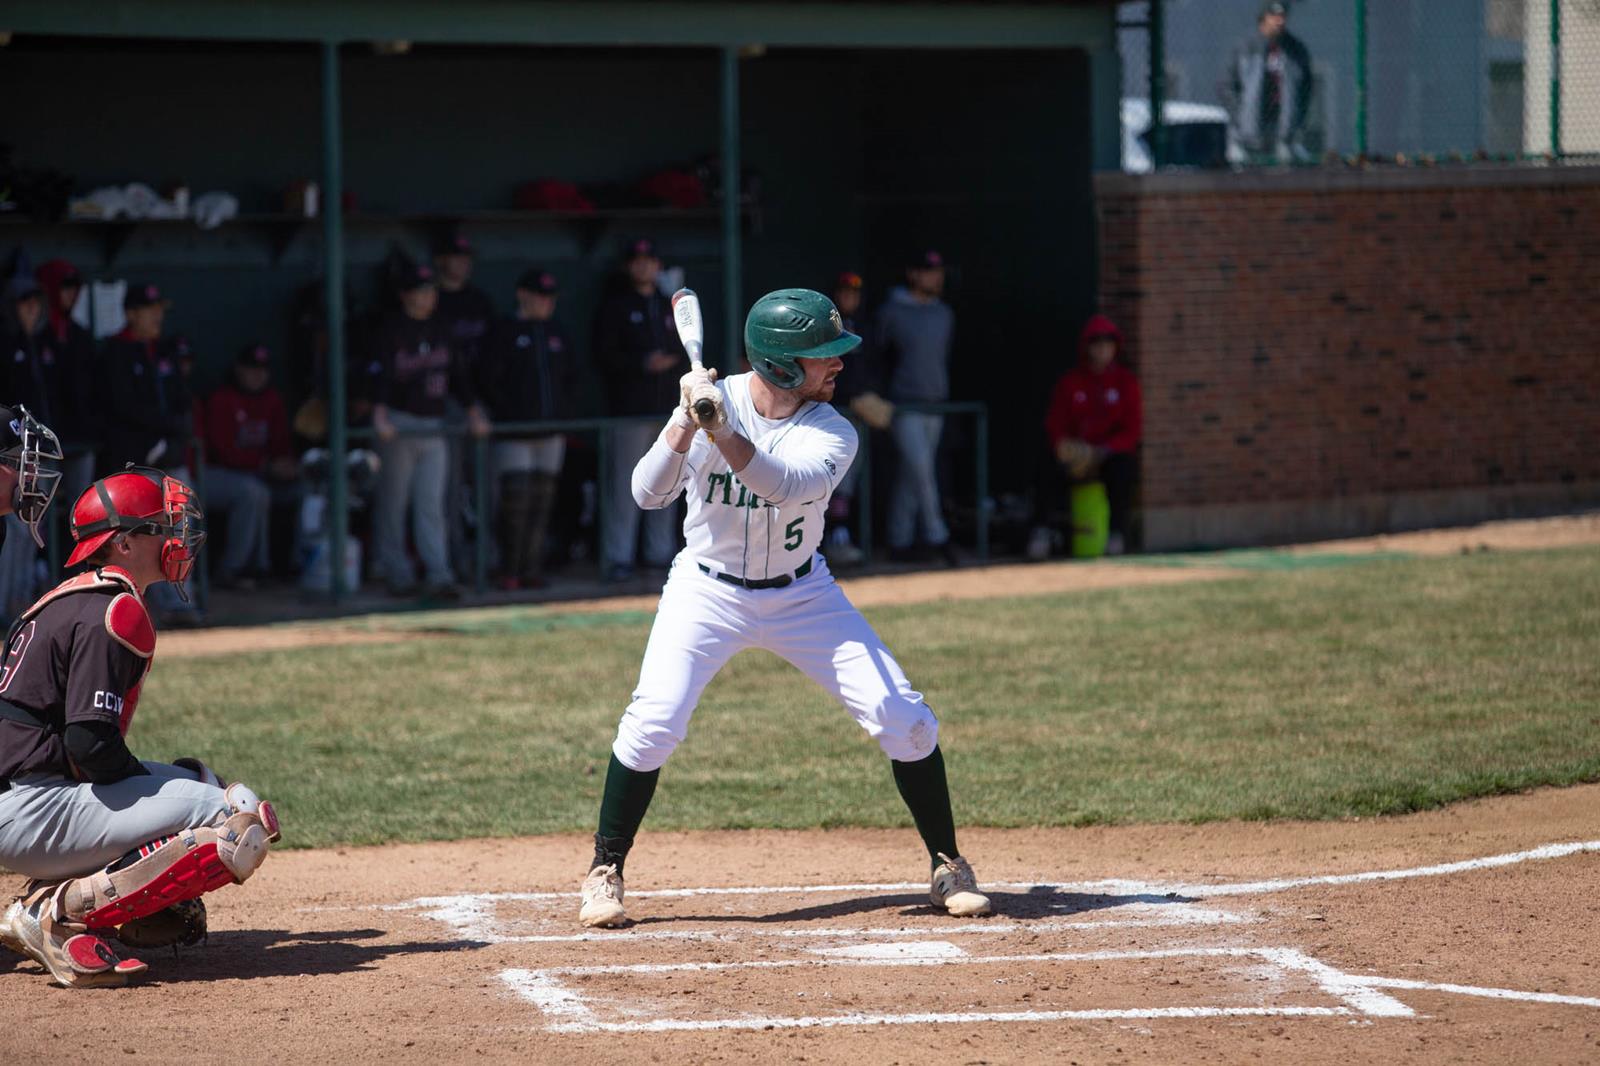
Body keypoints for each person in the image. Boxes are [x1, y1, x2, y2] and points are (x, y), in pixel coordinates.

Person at [577, 288, 991, 929]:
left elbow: (784, 487)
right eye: (824, 356)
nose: (839, 366)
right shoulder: (710, 403)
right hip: (707, 591)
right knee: (653, 722)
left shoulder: (832, 429)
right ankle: (605, 871)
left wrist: (723, 429)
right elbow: (647, 494)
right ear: (780, 364)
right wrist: (684, 422)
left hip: (804, 593)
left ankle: (948, 864)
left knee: (902, 716)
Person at [0, 467, 280, 988]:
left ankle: (63, 896)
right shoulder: (114, 608)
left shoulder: (70, 597)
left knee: (202, 786)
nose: (176, 538)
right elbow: (91, 746)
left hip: (24, 794)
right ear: (125, 543)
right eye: (161, 526)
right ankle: (51, 914)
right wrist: (152, 797)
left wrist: (166, 789)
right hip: (26, 805)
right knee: (236, 820)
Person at [368, 262, 488, 599]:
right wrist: (380, 415)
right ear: (405, 294)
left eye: (430, 291)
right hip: (399, 423)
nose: (426, 297)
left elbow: (459, 377)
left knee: (431, 504)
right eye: (420, 291)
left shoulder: (441, 327)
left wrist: (473, 410)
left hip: (434, 424)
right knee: (394, 502)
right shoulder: (390, 328)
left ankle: (439, 573)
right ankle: (397, 572)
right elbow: (378, 376)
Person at [99, 283, 201, 624]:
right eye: (149, 309)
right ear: (131, 314)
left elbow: (182, 401)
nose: (157, 316)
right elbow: (122, 407)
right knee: (145, 536)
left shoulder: (163, 352)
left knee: (183, 524)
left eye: (159, 309)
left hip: (167, 458)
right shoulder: (117, 352)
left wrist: (173, 434)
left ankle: (180, 602)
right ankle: (144, 604)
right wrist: (161, 432)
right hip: (132, 464)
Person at [478, 269, 580, 589]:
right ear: (522, 294)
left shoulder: (557, 332)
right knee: (514, 504)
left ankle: (531, 568)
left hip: (550, 433)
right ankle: (508, 569)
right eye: (538, 295)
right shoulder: (503, 331)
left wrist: (562, 418)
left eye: (549, 297)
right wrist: (507, 415)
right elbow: (487, 381)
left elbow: (571, 380)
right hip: (514, 434)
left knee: (542, 504)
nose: (545, 302)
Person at [593, 238, 687, 581]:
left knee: (668, 485)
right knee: (625, 487)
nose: (644, 266)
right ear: (629, 266)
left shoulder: (669, 306)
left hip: (668, 414)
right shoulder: (616, 306)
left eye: (650, 260)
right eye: (637, 260)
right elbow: (603, 355)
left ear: (658, 266)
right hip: (629, 411)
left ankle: (659, 553)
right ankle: (619, 556)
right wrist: (642, 363)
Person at [1031, 314, 1142, 558]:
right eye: (1097, 343)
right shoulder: (1071, 382)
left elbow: (1131, 431)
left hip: (1107, 455)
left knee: (1123, 468)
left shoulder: (1125, 382)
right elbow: (1055, 425)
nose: (1103, 350)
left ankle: (1116, 534)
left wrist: (1104, 450)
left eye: (1108, 344)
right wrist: (1067, 447)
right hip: (1077, 455)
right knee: (1046, 463)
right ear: (1087, 347)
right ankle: (1042, 531)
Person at [873, 250, 958, 566]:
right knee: (923, 472)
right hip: (903, 405)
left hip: (936, 404)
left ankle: (900, 540)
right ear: (912, 274)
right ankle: (939, 536)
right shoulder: (891, 312)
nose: (935, 277)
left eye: (938, 271)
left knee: (912, 477)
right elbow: (879, 355)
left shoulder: (944, 314)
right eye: (927, 271)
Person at [200, 344, 300, 588]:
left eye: (263, 370)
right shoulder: (222, 399)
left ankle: (298, 564)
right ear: (238, 370)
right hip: (216, 474)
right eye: (252, 369)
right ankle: (234, 569)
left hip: (259, 474)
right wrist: (266, 465)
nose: (258, 375)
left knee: (306, 489)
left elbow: (280, 443)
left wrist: (286, 464)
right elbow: (223, 452)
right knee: (253, 492)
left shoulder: (272, 399)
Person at [34, 260, 98, 503]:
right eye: (65, 287)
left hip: (79, 438)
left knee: (83, 510)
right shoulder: (36, 337)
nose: (71, 294)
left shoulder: (79, 336)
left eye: (74, 287)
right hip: (44, 442)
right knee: (36, 513)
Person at [1221, 1, 1314, 166]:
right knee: (1243, 179)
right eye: (1274, 16)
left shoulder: (1295, 49)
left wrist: (1297, 119)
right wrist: (1240, 116)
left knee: (1284, 177)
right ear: (1263, 17)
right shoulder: (1246, 47)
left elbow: (1306, 88)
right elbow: (1226, 85)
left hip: (1282, 132)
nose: (1279, 21)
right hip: (1247, 134)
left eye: (1283, 16)